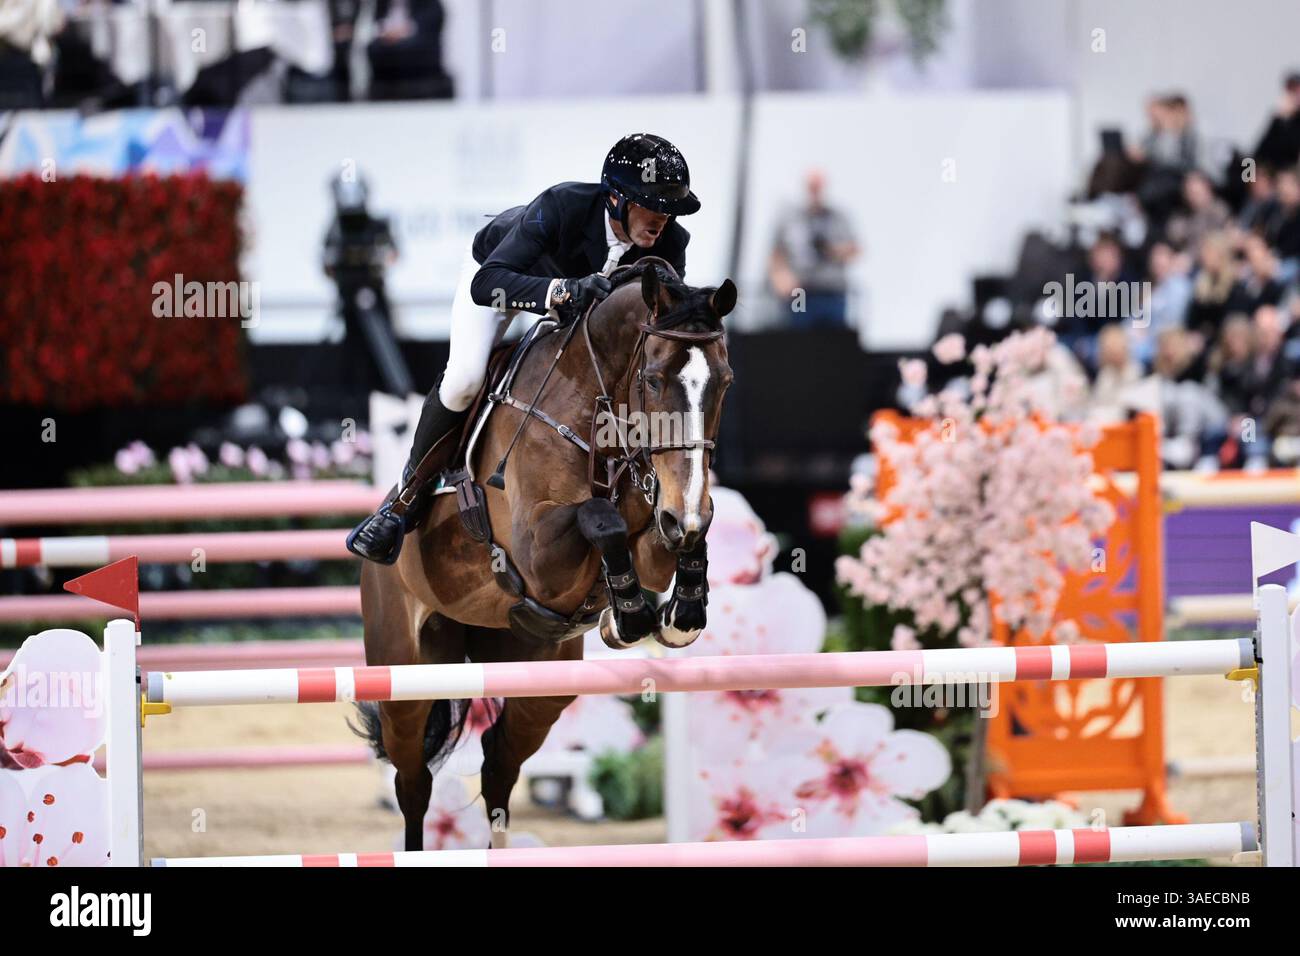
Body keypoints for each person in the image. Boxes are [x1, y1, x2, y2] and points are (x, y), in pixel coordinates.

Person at [347, 133, 700, 563]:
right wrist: (563, 290)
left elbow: (659, 328)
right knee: (463, 379)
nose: (662, 218)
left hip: (575, 309)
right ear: (615, 200)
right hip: (506, 280)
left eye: (670, 208)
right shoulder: (561, 206)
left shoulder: (672, 244)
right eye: (651, 204)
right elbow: (486, 284)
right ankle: (404, 499)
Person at [767, 169, 859, 328]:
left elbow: (854, 249)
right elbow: (777, 253)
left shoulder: (838, 218)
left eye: (818, 186)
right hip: (800, 292)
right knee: (798, 334)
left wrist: (830, 250)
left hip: (831, 291)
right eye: (811, 186)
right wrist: (780, 276)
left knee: (833, 339)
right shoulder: (792, 219)